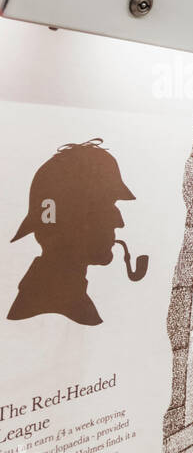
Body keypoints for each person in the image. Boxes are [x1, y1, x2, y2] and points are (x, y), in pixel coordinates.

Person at [9, 138, 148, 325]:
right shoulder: (60, 306)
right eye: (107, 206)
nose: (119, 222)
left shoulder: (50, 297)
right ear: (74, 219)